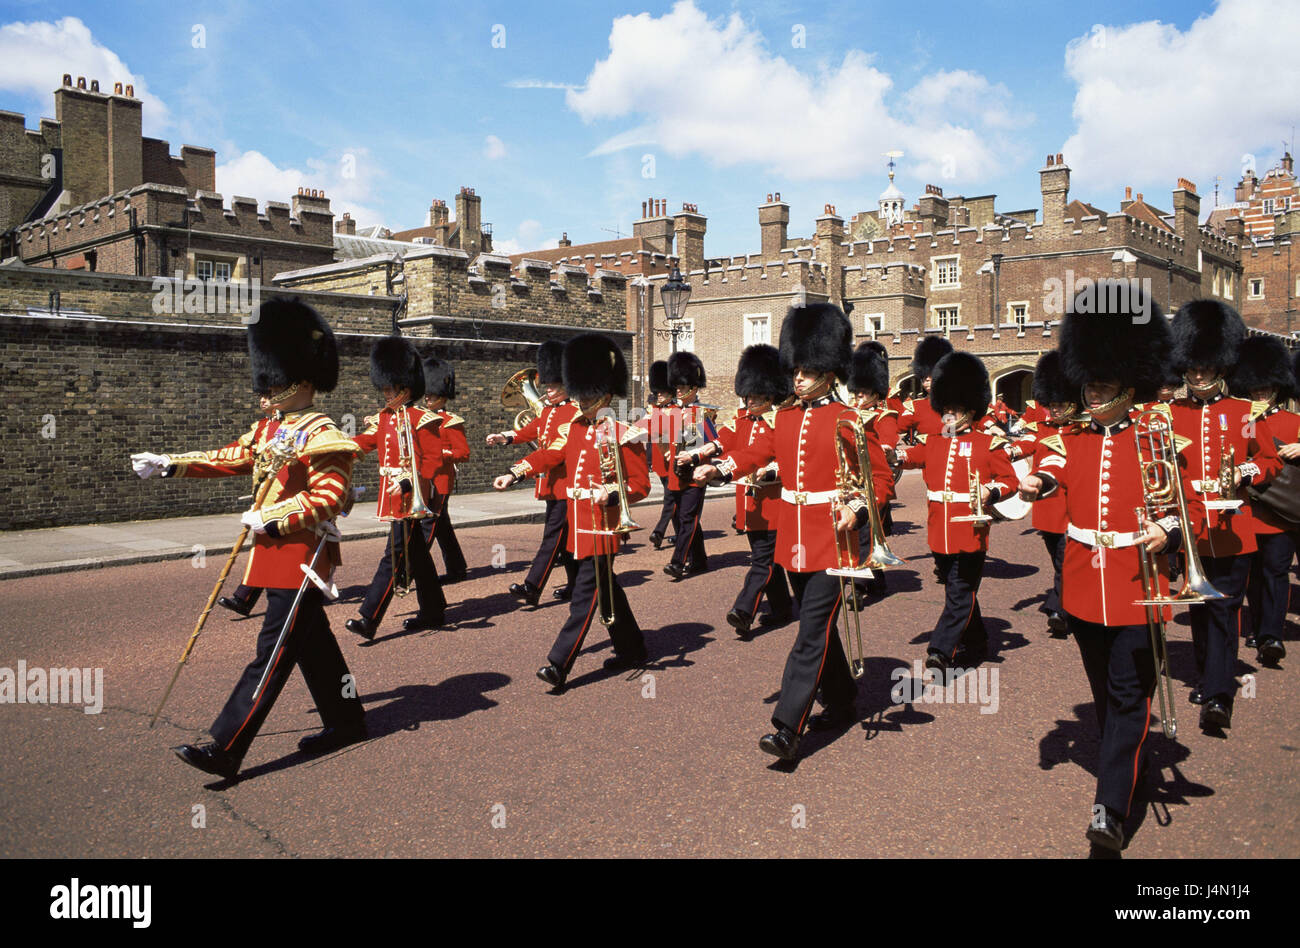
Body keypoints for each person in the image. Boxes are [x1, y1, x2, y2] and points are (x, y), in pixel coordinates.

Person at [131, 298, 366, 778]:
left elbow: (330, 498)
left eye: (273, 383)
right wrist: (171, 463)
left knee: (273, 652)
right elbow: (229, 456)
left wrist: (274, 518)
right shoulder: (272, 429)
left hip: (302, 557)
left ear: (301, 380)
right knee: (312, 645)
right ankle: (347, 720)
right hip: (272, 556)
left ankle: (226, 747)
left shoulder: (323, 434)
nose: (265, 393)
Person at [1018, 284, 1187, 852]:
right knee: (1104, 693)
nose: (1093, 395)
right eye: (1089, 384)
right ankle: (1128, 772)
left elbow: (1185, 505)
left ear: (1129, 385)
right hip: (1087, 585)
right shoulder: (1072, 439)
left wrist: (1168, 530)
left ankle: (1110, 808)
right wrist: (1032, 482)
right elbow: (1049, 473)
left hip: (1139, 582)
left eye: (1104, 385)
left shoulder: (1158, 437)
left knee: (1125, 694)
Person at [689, 304, 892, 761]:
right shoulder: (784, 417)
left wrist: (858, 511)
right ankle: (842, 699)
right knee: (816, 628)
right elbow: (756, 451)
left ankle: (788, 726)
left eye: (808, 370)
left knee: (810, 631)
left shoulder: (848, 419)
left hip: (835, 540)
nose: (797, 378)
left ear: (829, 370)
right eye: (795, 369)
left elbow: (879, 480)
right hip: (794, 538)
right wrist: (719, 469)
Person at [494, 334, 651, 690]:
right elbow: (550, 455)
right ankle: (633, 647)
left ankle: (558, 663)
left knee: (584, 598)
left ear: (606, 395)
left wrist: (611, 493)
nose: (580, 401)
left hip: (603, 527)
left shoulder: (625, 434)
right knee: (607, 591)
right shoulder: (575, 428)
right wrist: (515, 472)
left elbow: (639, 486)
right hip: (577, 524)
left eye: (588, 394)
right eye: (579, 393)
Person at [1168, 300, 1280, 729]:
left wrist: (1245, 472)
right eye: (1193, 368)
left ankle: (1218, 694)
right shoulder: (1171, 414)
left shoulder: (1244, 415)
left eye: (1207, 368)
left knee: (1224, 610)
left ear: (1221, 367)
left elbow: (1268, 459)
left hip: (1234, 528)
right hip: (1193, 529)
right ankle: (1206, 674)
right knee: (1200, 607)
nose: (1199, 376)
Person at [897, 351, 1017, 673]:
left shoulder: (986, 444)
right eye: (946, 409)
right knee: (958, 591)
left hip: (970, 529)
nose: (949, 415)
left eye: (955, 409)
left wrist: (992, 491)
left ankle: (941, 649)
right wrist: (890, 454)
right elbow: (911, 456)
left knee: (961, 590)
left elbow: (1010, 481)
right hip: (939, 529)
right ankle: (977, 642)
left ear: (970, 410)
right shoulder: (935, 441)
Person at [345, 336, 447, 640]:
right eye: (385, 388)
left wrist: (409, 482)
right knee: (416, 555)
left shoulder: (422, 419)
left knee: (394, 554)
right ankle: (434, 610)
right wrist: (333, 448)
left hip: (411, 496)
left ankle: (369, 617)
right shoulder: (384, 419)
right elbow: (363, 443)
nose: (386, 393)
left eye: (390, 388)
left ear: (405, 389)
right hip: (391, 495)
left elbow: (433, 460)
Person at [689, 344, 794, 637]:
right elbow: (727, 438)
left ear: (770, 395)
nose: (749, 400)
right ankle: (783, 607)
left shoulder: (781, 420)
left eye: (756, 396)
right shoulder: (743, 418)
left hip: (774, 503)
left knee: (763, 561)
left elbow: (760, 453)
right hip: (749, 505)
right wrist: (701, 453)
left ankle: (744, 610)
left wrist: (728, 469)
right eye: (747, 395)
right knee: (767, 559)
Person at [485, 341, 580, 605]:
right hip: (553, 485)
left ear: (566, 385)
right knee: (564, 538)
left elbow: (554, 453)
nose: (547, 391)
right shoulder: (550, 411)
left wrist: (516, 472)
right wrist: (504, 437)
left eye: (553, 386)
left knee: (552, 537)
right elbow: (531, 431)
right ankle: (574, 586)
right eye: (547, 386)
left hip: (567, 485)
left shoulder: (574, 413)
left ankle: (532, 586)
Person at [1227, 333, 1295, 666]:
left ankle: (1271, 634)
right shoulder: (1240, 421)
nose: (1260, 395)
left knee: (1276, 574)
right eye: (1255, 390)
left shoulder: (1294, 423)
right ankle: (1255, 627)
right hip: (1247, 513)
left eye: (1265, 390)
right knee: (1251, 578)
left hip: (1281, 515)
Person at [1015, 350, 1085, 636]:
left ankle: (1059, 608)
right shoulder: (1043, 428)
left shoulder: (1083, 429)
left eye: (1060, 404)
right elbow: (1029, 445)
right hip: (1047, 507)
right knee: (1059, 560)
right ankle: (1067, 602)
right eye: (1051, 404)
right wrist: (1006, 449)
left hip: (1072, 507)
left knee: (1064, 560)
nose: (1054, 410)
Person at [216, 394, 275, 618]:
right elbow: (234, 454)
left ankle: (243, 597)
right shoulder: (261, 428)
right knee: (265, 552)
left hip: (286, 506)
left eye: (268, 396)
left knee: (266, 552)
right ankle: (244, 598)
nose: (262, 400)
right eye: (262, 395)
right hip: (263, 502)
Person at [418, 356, 469, 584]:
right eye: (427, 394)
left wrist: (440, 455)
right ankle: (457, 568)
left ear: (443, 396)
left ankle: (413, 569)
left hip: (441, 481)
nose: (428, 398)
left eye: (432, 395)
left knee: (428, 526)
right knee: (442, 527)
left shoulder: (451, 422)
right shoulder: (420, 418)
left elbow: (463, 452)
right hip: (424, 480)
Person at [664, 352, 715, 579]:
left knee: (687, 518)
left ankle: (678, 562)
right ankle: (700, 559)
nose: (678, 390)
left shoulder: (702, 413)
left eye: (682, 387)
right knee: (683, 518)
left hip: (696, 473)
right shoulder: (673, 412)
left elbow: (714, 444)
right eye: (677, 386)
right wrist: (668, 451)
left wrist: (693, 457)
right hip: (676, 473)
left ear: (693, 388)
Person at [643, 360, 680, 550]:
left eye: (662, 392)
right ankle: (681, 535)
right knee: (673, 501)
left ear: (671, 393)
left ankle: (659, 531)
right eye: (657, 392)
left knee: (670, 499)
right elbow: (645, 429)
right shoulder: (657, 411)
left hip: (673, 462)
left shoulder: (676, 411)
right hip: (660, 464)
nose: (658, 395)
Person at [897, 335, 954, 441]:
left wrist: (991, 427)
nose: (926, 380)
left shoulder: (960, 403)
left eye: (931, 375)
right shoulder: (915, 406)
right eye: (923, 377)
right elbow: (897, 427)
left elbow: (981, 420)